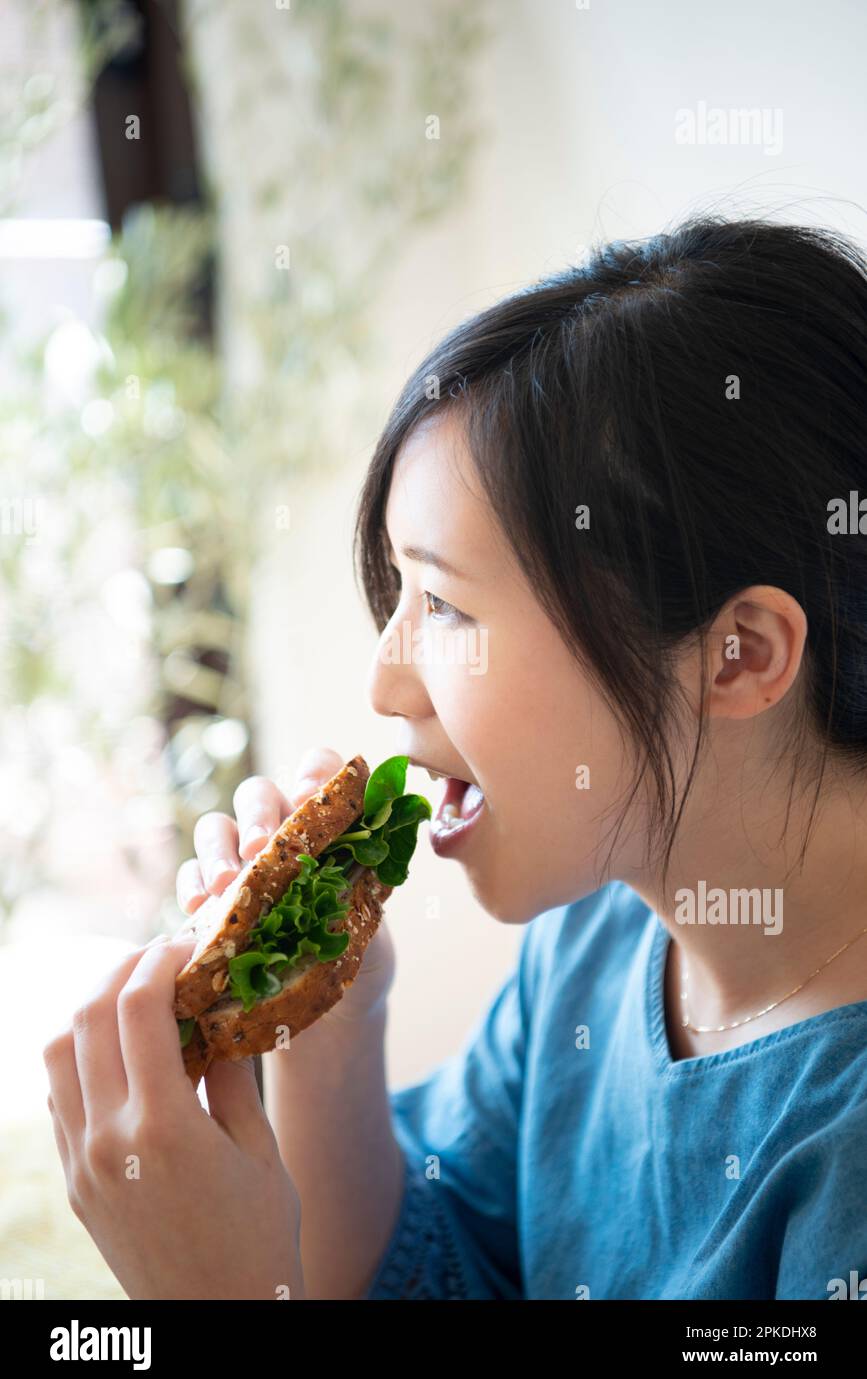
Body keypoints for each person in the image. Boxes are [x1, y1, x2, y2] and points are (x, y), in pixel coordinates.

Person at [46, 216, 867, 1299]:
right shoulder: (603, 932)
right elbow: (440, 1275)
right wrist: (331, 1036)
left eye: (443, 603)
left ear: (738, 654)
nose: (388, 684)